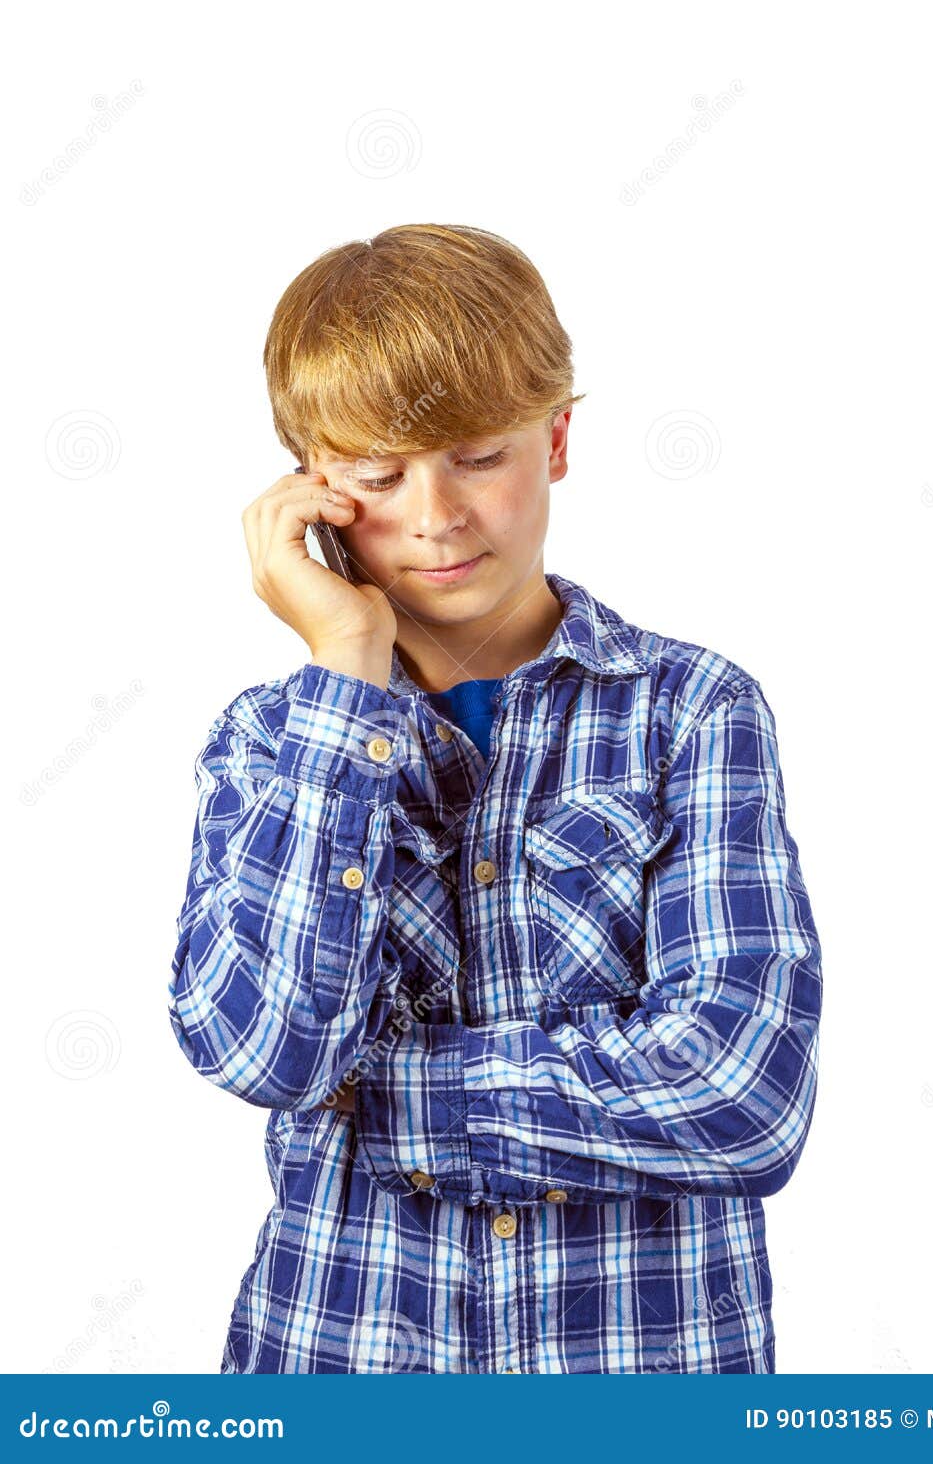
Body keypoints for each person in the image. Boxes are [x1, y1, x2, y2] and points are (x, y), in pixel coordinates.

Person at [167, 222, 823, 1375]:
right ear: (311, 485)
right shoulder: (270, 740)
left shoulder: (691, 711)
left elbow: (740, 1095)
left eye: (477, 456)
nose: (436, 515)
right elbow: (265, 1049)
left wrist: (387, 1101)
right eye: (379, 475)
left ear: (555, 438)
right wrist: (344, 671)